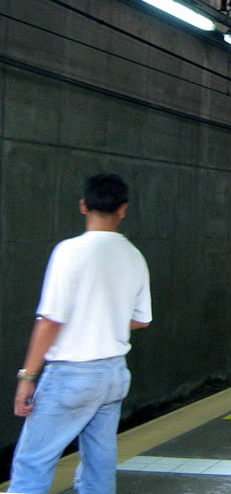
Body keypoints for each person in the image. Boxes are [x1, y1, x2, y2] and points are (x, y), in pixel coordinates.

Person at [8, 173, 152, 494]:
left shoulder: (70, 251)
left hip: (72, 376)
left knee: (33, 462)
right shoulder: (134, 256)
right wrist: (103, 320)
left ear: (83, 205)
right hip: (113, 375)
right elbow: (141, 321)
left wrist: (26, 376)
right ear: (123, 209)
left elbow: (50, 320)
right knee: (99, 466)